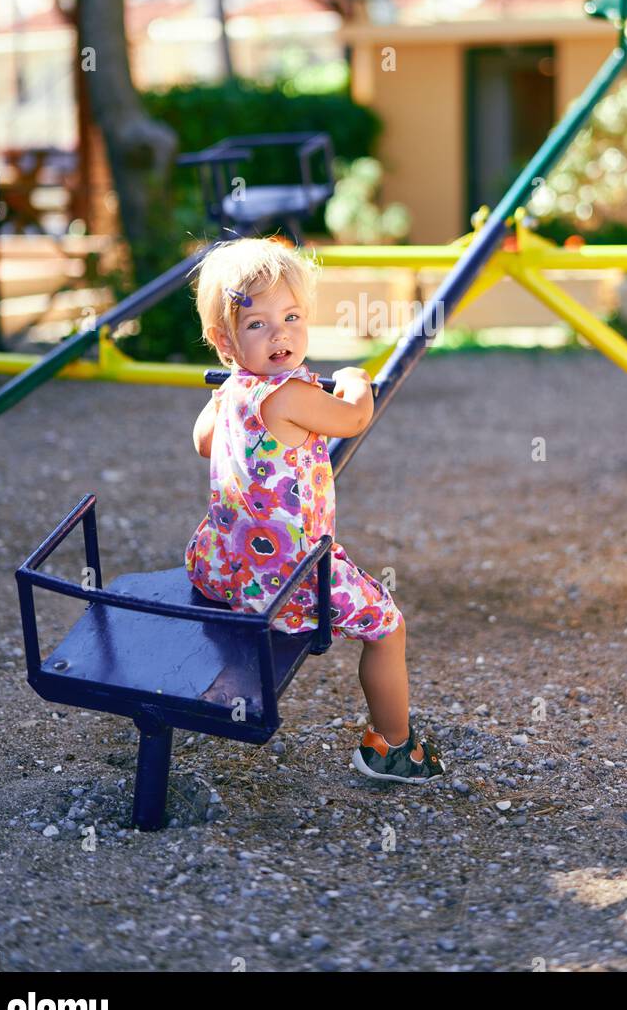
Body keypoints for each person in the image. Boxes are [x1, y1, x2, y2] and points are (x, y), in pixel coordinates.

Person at [185, 235, 445, 784]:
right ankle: (392, 747)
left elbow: (203, 442)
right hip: (291, 577)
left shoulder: (234, 388)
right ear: (224, 339)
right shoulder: (287, 394)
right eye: (258, 324)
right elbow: (351, 420)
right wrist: (355, 383)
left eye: (292, 316)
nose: (281, 334)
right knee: (388, 625)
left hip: (223, 565)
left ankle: (391, 741)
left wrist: (225, 393)